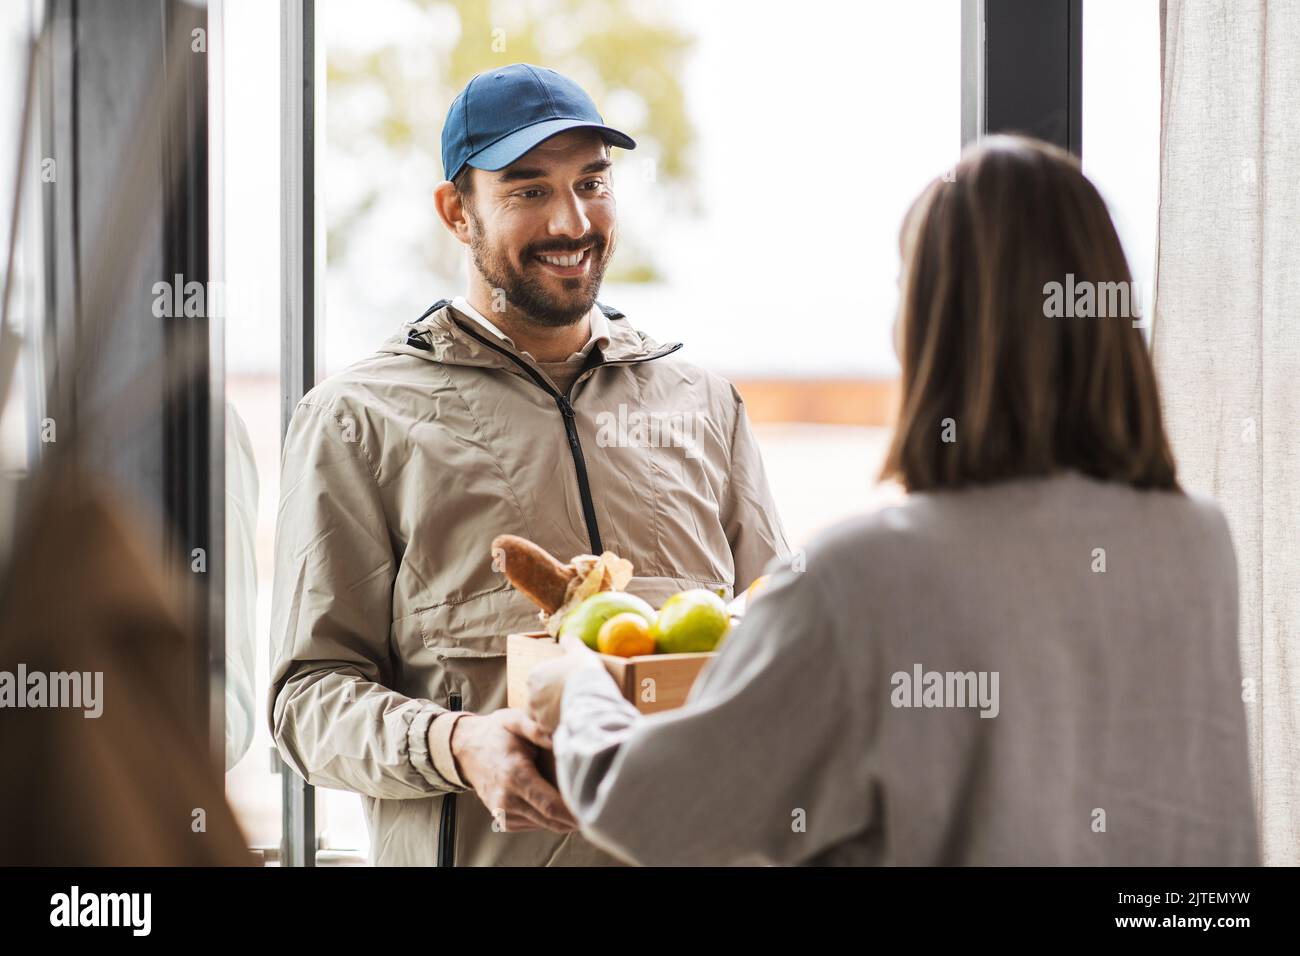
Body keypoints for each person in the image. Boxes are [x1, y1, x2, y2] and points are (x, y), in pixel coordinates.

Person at [528, 135, 1261, 866]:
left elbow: (651, 808)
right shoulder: (1197, 541)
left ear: (932, 325)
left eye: (904, 288)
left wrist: (578, 692)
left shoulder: (860, 578)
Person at [267, 63, 788, 866]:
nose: (572, 220)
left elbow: (779, 639)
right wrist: (456, 742)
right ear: (456, 210)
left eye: (592, 182)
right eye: (527, 190)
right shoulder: (358, 418)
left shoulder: (705, 403)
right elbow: (306, 703)